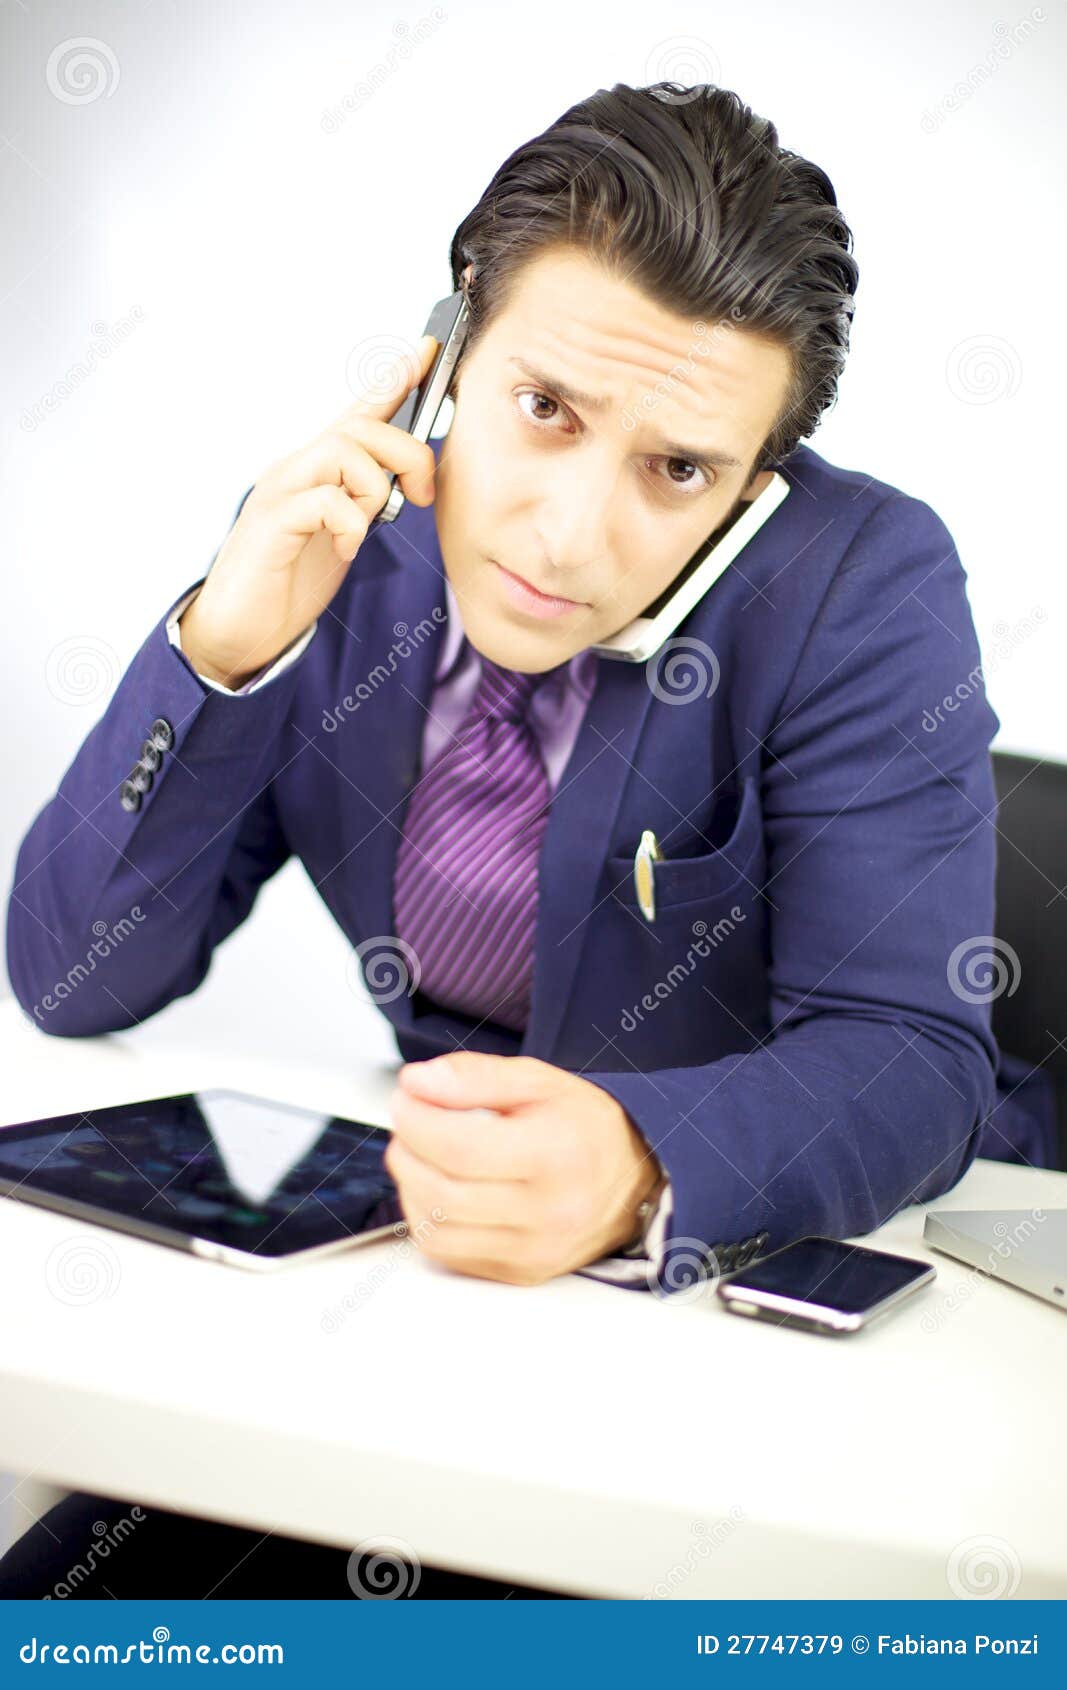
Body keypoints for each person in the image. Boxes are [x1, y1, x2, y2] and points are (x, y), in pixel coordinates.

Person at [2, 79, 1056, 1597]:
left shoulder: (863, 586)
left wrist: (639, 1163)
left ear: (751, 492)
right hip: (454, 1314)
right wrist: (225, 649)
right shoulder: (336, 552)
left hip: (768, 1328)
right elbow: (69, 978)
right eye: (543, 409)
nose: (567, 531)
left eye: (675, 470)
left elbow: (909, 1049)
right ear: (443, 365)